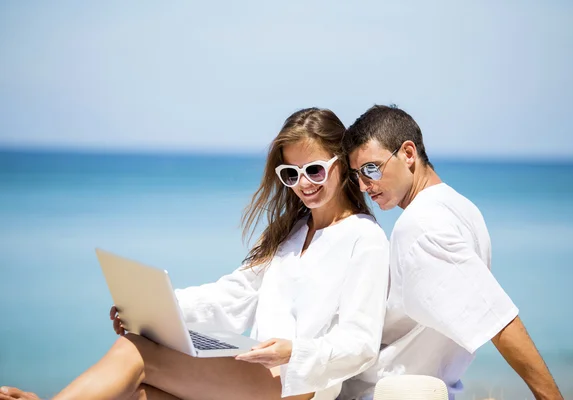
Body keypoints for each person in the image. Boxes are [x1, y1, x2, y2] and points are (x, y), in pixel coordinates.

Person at [0, 108, 389, 400]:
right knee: (138, 393)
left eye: (315, 170)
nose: (303, 184)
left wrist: (294, 351)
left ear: (343, 164)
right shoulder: (291, 235)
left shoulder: (364, 240)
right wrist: (154, 310)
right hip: (256, 373)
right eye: (291, 174)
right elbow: (230, 296)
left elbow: (361, 342)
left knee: (136, 352)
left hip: (296, 385)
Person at [338, 105, 563, 400]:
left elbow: (497, 319)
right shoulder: (465, 209)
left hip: (387, 392)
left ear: (408, 153)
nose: (364, 185)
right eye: (357, 174)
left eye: (371, 168)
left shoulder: (418, 225)